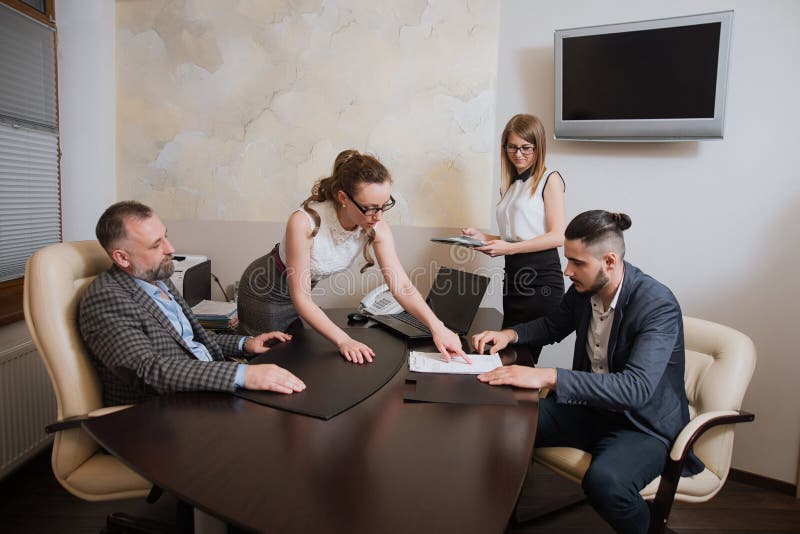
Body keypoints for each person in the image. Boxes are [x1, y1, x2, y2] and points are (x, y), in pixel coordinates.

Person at [472, 210, 703, 534]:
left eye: (577, 263)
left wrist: (547, 376)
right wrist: (510, 335)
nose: (568, 271)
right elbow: (553, 325)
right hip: (589, 410)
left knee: (605, 483)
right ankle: (493, 519)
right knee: (504, 423)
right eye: (568, 260)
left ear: (609, 261)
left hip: (642, 425)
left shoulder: (656, 304)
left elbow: (635, 388)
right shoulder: (584, 290)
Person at [238, 149, 467, 365]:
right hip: (265, 293)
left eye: (384, 206)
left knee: (296, 361)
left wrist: (438, 328)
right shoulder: (304, 222)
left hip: (297, 296)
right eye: (369, 208)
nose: (378, 216)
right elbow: (302, 300)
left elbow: (402, 286)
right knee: (269, 364)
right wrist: (343, 340)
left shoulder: (376, 225)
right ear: (343, 197)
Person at [79, 201, 306, 407]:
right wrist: (243, 375)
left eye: (166, 236)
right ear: (122, 258)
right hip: (164, 411)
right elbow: (147, 371)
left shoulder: (158, 278)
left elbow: (187, 342)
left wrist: (245, 344)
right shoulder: (106, 299)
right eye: (156, 244)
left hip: (204, 388)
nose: (171, 248)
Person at [461, 114, 566, 363]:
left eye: (525, 148)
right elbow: (516, 236)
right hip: (514, 282)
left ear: (538, 147)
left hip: (541, 283)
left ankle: (531, 400)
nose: (518, 154)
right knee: (504, 356)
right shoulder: (509, 184)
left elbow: (557, 236)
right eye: (512, 147)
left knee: (520, 358)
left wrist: (508, 249)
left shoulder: (549, 179)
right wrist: (483, 237)